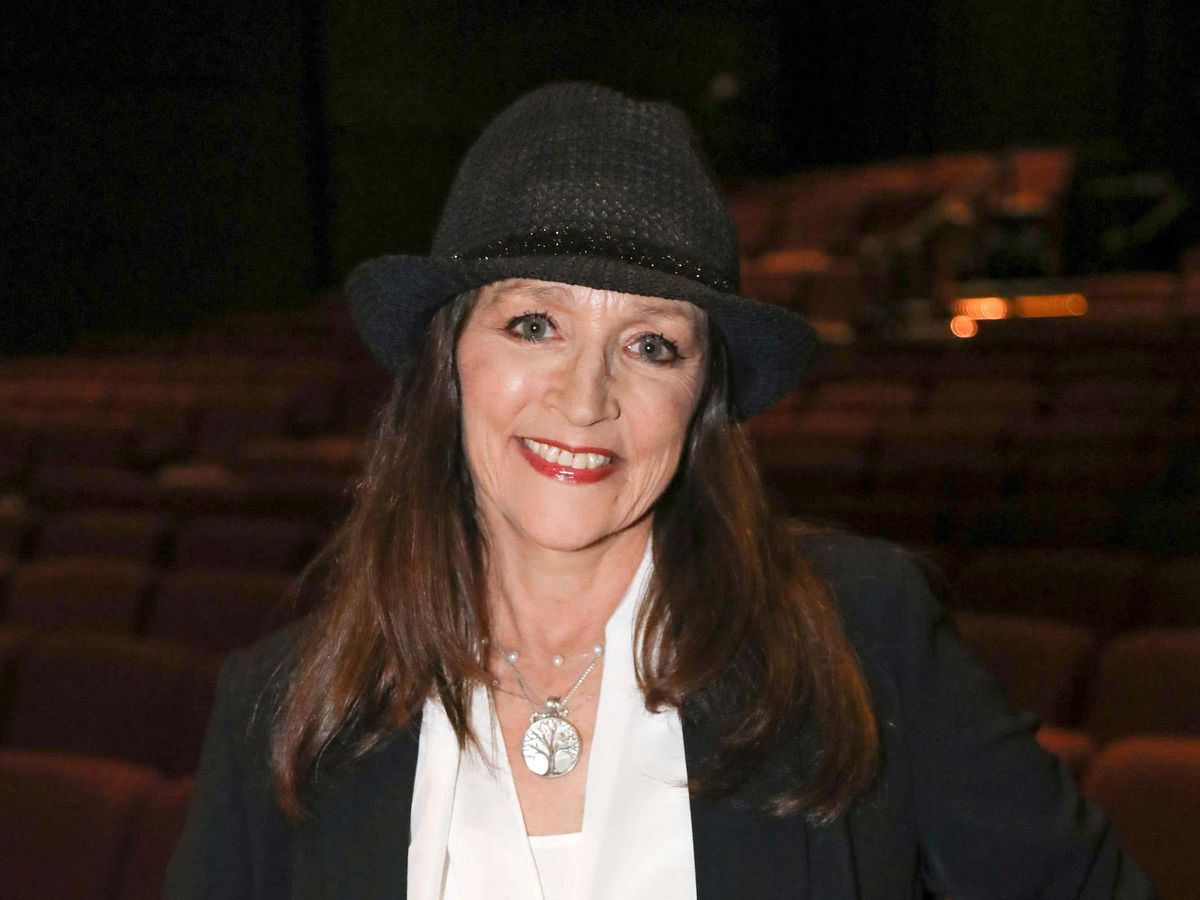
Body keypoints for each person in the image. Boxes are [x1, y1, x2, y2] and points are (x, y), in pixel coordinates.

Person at [166, 83, 1155, 899]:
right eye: (534, 325)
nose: (583, 398)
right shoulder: (278, 712)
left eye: (650, 345)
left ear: (702, 396)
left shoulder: (864, 639)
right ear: (448, 361)